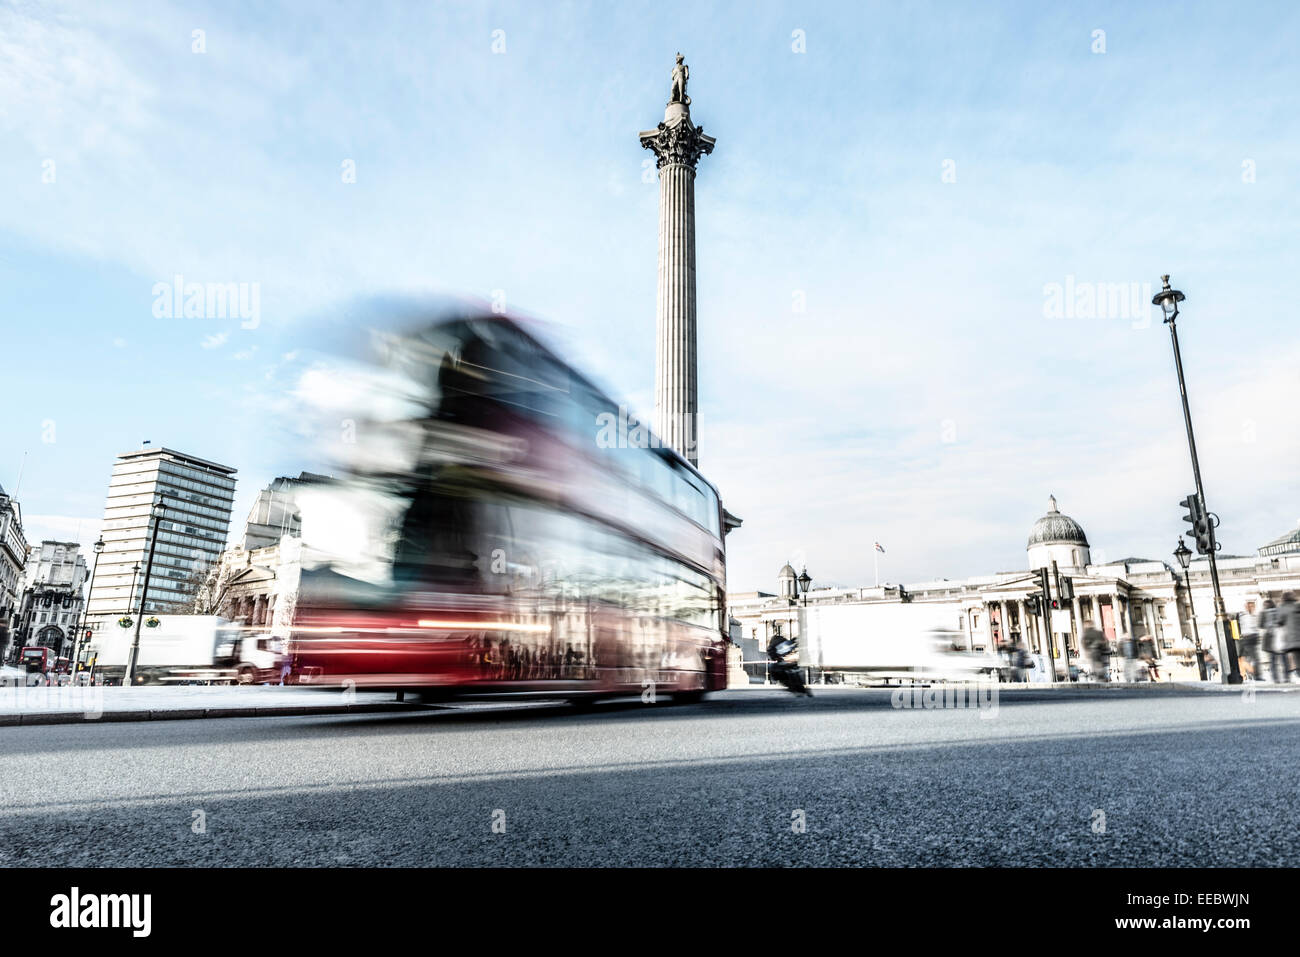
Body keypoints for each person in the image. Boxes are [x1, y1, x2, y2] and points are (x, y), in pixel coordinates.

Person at [1278, 593, 1300, 684]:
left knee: (1297, 660)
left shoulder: (1283, 608)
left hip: (1293, 640)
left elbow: (1279, 622)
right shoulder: (1298, 606)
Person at [1237, 602, 1261, 681]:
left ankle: (1253, 674)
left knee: (1252, 659)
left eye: (1253, 606)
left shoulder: (1253, 616)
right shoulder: (1244, 616)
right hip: (1248, 639)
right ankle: (1254, 674)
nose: (1253, 608)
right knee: (1253, 659)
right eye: (1251, 606)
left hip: (1251, 639)